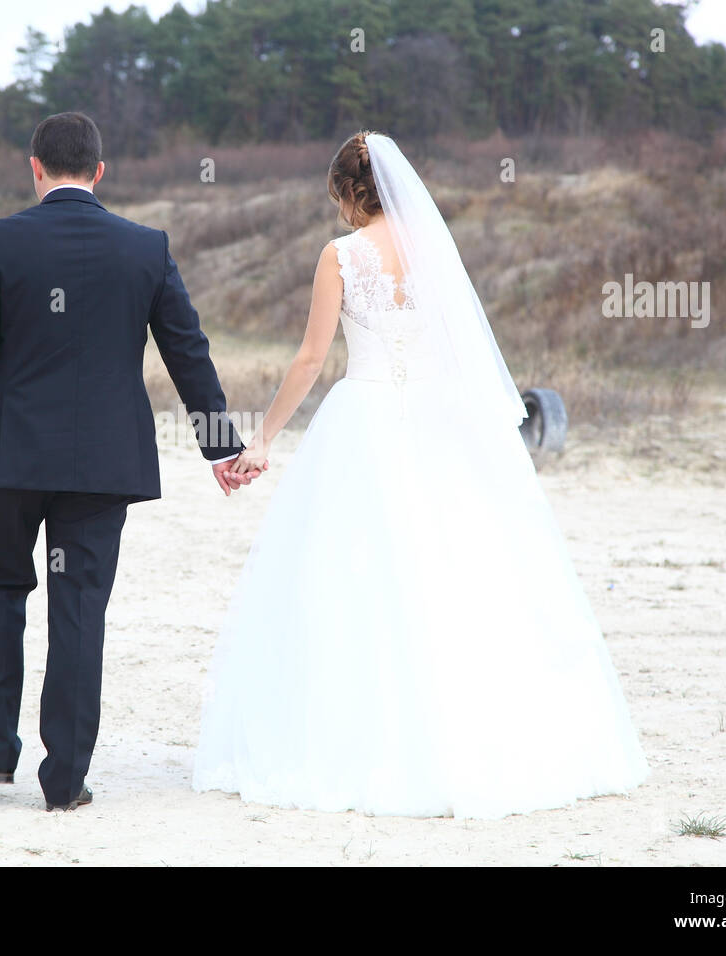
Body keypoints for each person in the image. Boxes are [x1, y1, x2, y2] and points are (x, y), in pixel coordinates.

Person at [191, 131, 650, 820]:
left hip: (366, 418)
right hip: (438, 422)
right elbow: (462, 349)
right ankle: (476, 734)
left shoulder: (340, 256)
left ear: (350, 192)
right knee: (456, 566)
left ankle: (364, 738)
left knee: (351, 573)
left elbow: (311, 360)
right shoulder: (435, 250)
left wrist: (261, 439)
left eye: (338, 197)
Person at [0, 111, 259, 811]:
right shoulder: (144, 247)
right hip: (101, 463)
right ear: (100, 172)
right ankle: (64, 781)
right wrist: (222, 445)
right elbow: (187, 349)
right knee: (80, 607)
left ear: (35, 167)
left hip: (8, 457)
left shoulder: (0, 241)